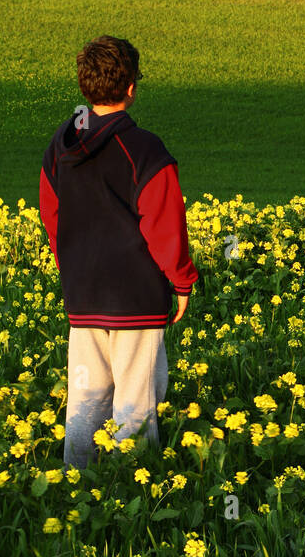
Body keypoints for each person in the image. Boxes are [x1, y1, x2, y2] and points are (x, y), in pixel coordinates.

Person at [38, 35, 198, 468]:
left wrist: (71, 265)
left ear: (84, 86)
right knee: (136, 402)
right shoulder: (145, 150)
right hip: (136, 297)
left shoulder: (61, 144)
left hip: (83, 294)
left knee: (85, 401)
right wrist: (182, 281)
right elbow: (165, 227)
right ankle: (132, 489)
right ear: (130, 87)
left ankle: (76, 483)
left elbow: (52, 216)